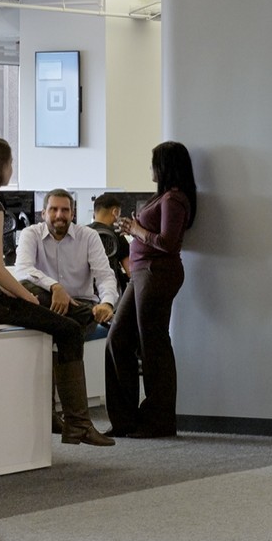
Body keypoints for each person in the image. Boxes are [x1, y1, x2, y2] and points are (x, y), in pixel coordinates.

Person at [0, 137, 109, 446]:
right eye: (10, 163)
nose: (11, 168)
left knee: (58, 322)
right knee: (70, 330)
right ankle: (78, 424)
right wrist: (26, 297)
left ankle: (55, 416)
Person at [106, 141, 195, 440]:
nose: (150, 168)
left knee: (153, 345)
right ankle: (126, 419)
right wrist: (135, 230)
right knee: (119, 338)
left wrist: (136, 230)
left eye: (154, 162)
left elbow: (168, 242)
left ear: (165, 166)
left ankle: (159, 420)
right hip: (143, 273)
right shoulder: (163, 198)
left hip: (157, 273)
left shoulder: (174, 199)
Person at [12, 189, 119, 331]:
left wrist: (107, 303)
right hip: (50, 301)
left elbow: (104, 275)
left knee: (58, 326)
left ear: (72, 215)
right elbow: (23, 270)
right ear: (43, 214)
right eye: (53, 209)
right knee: (24, 285)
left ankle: (81, 316)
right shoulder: (31, 234)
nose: (59, 215)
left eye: (65, 210)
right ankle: (88, 316)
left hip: (80, 302)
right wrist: (55, 287)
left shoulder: (88, 236)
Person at [89, 193, 130, 290]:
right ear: (115, 212)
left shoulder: (82, 233)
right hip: (112, 291)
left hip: (86, 291)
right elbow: (130, 271)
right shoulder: (117, 235)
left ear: (95, 212)